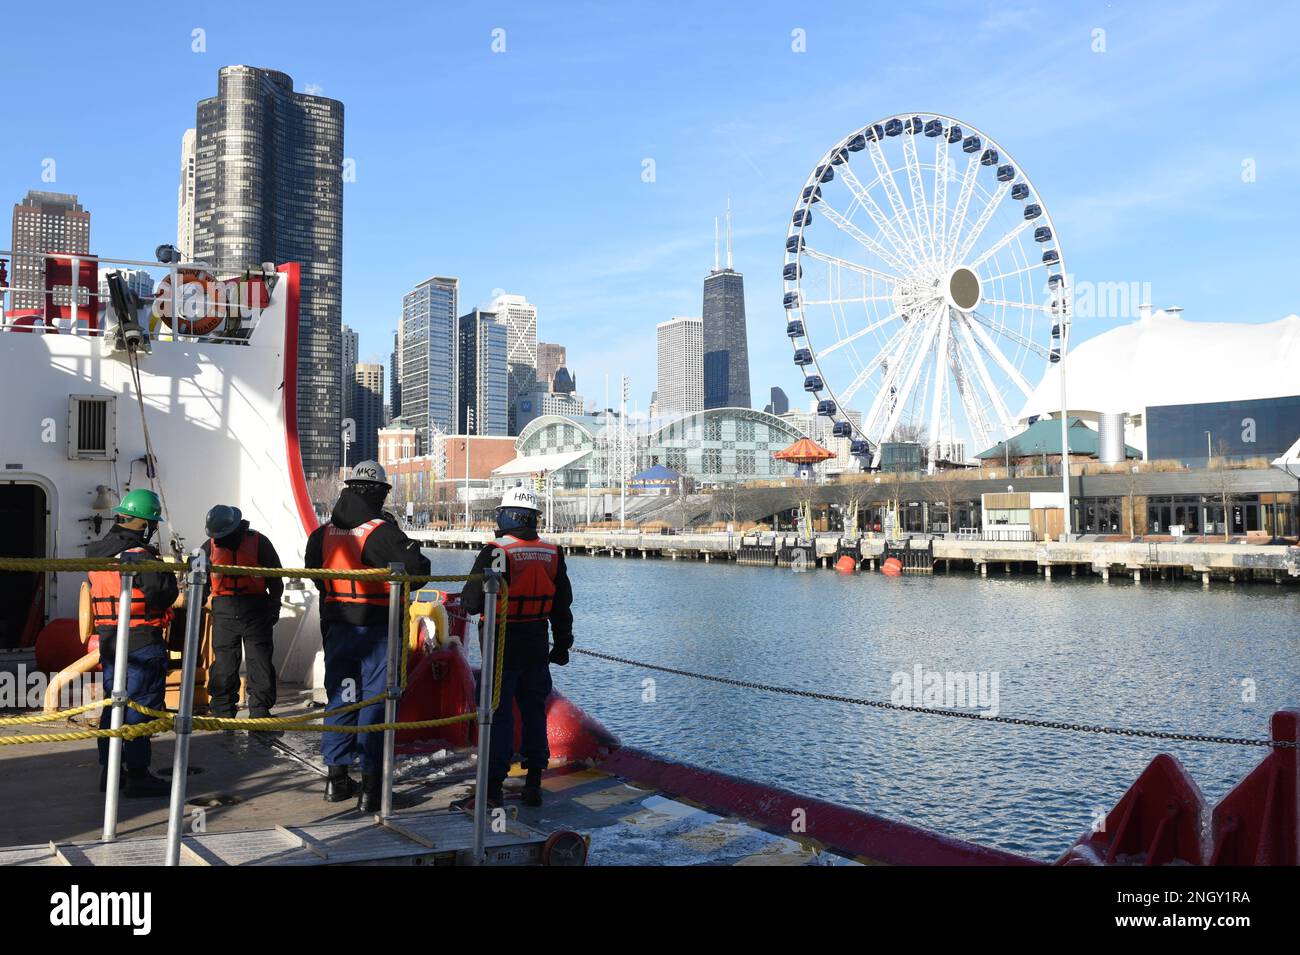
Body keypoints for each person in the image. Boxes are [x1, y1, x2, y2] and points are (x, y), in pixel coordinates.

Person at [304, 461, 429, 811]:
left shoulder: (323, 533)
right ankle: (373, 790)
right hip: (376, 630)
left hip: (337, 627)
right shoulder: (384, 533)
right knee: (377, 703)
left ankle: (337, 779)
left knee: (341, 697)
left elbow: (315, 573)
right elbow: (417, 575)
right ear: (379, 493)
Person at [461, 485, 573, 808]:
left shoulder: (496, 551)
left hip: (502, 645)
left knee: (498, 713)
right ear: (533, 518)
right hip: (537, 645)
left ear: (507, 515)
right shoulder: (552, 553)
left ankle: (493, 788)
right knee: (535, 711)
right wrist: (563, 644)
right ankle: (533, 784)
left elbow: (469, 602)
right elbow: (562, 606)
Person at [86, 488, 179, 798]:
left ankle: (110, 771)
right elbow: (163, 596)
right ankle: (138, 775)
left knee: (114, 706)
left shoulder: (98, 553)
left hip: (111, 643)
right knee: (140, 707)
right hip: (142, 643)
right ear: (144, 524)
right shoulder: (140, 556)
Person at [200, 505, 283, 721]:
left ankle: (260, 711)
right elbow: (199, 584)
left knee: (260, 662)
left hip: (256, 610)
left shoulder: (259, 542)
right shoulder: (207, 548)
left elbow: (276, 577)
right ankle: (223, 711)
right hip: (224, 610)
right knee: (225, 664)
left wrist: (274, 606)